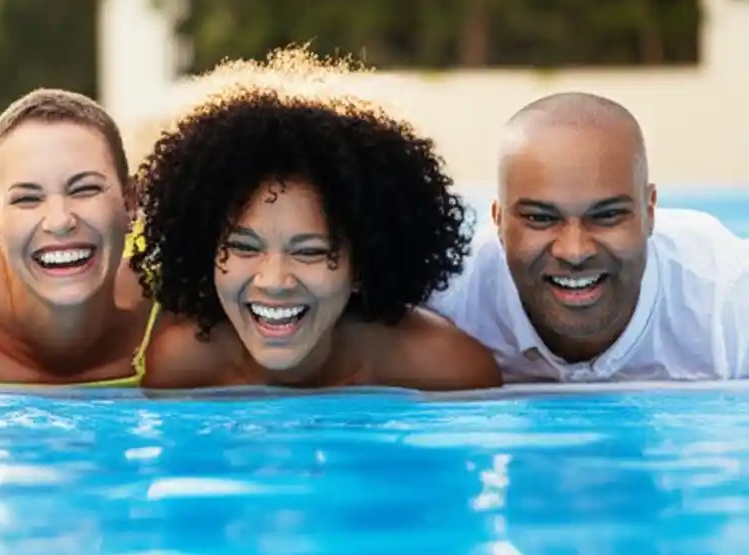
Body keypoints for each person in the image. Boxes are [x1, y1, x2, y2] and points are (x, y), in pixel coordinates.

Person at [132, 48, 502, 390]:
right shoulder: (183, 365)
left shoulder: (443, 368)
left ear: (361, 267)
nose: (274, 281)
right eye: (244, 247)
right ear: (207, 255)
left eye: (309, 252)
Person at [428, 91, 749, 382]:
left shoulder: (727, 303)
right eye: (540, 218)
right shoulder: (448, 299)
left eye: (607, 215)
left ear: (650, 211)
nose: (574, 251)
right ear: (498, 221)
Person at [0, 88, 158, 387]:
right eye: (26, 199)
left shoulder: (167, 315)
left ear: (130, 203)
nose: (60, 221)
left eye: (85, 189)